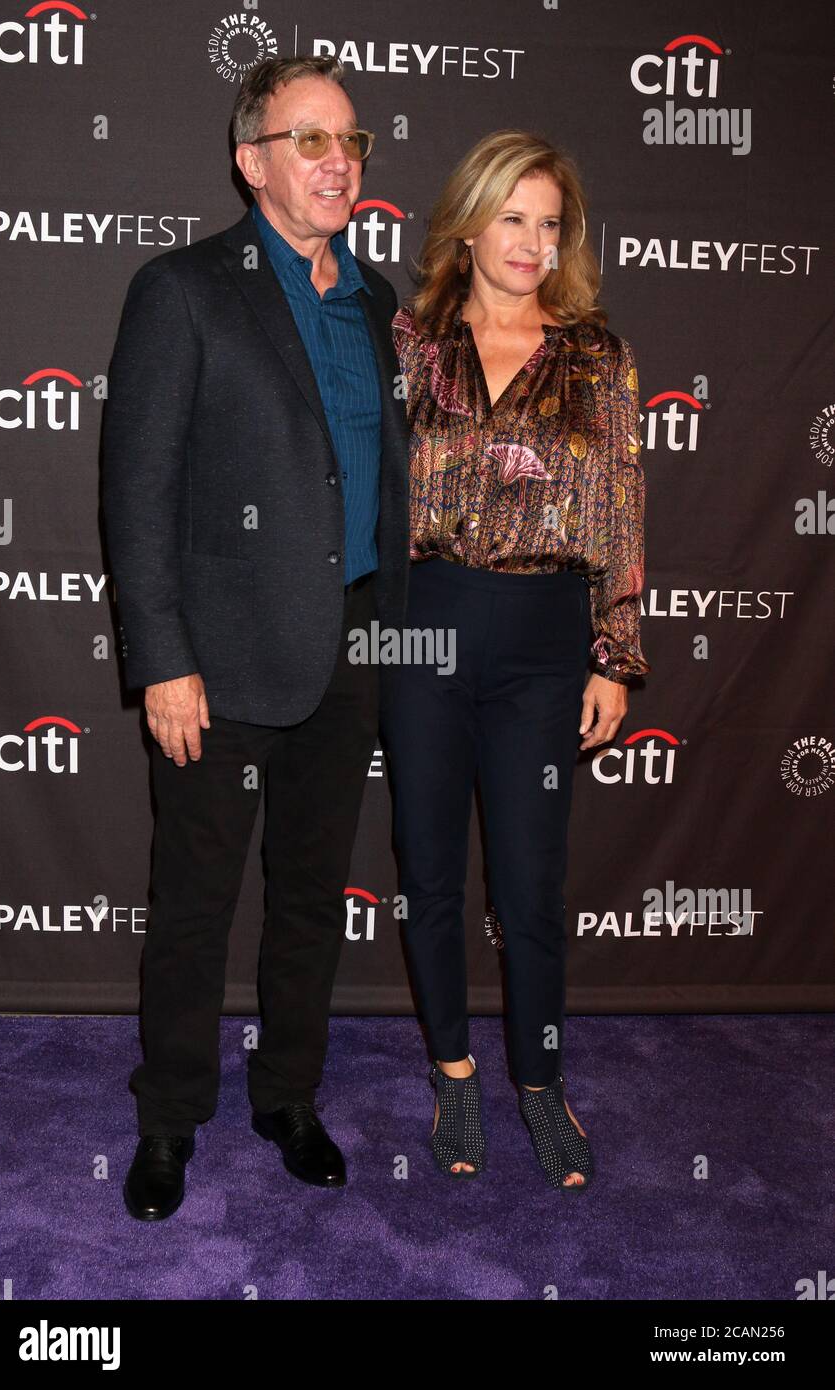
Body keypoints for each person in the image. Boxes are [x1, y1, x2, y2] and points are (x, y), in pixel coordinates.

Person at [101, 55, 409, 1220]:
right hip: (218, 662)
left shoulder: (377, 302)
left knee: (306, 895)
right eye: (310, 140)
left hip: (352, 649)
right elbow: (137, 492)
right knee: (191, 905)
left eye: (350, 141)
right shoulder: (182, 290)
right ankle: (170, 1117)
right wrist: (163, 658)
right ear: (252, 161)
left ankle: (288, 1095)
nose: (339, 163)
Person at [382, 128, 650, 1190]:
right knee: (427, 864)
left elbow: (622, 509)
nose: (532, 241)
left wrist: (613, 655)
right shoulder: (406, 342)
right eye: (512, 217)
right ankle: (452, 1072)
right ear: (469, 221)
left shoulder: (598, 355)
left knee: (532, 879)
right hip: (420, 623)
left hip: (544, 640)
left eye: (548, 223)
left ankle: (539, 1081)